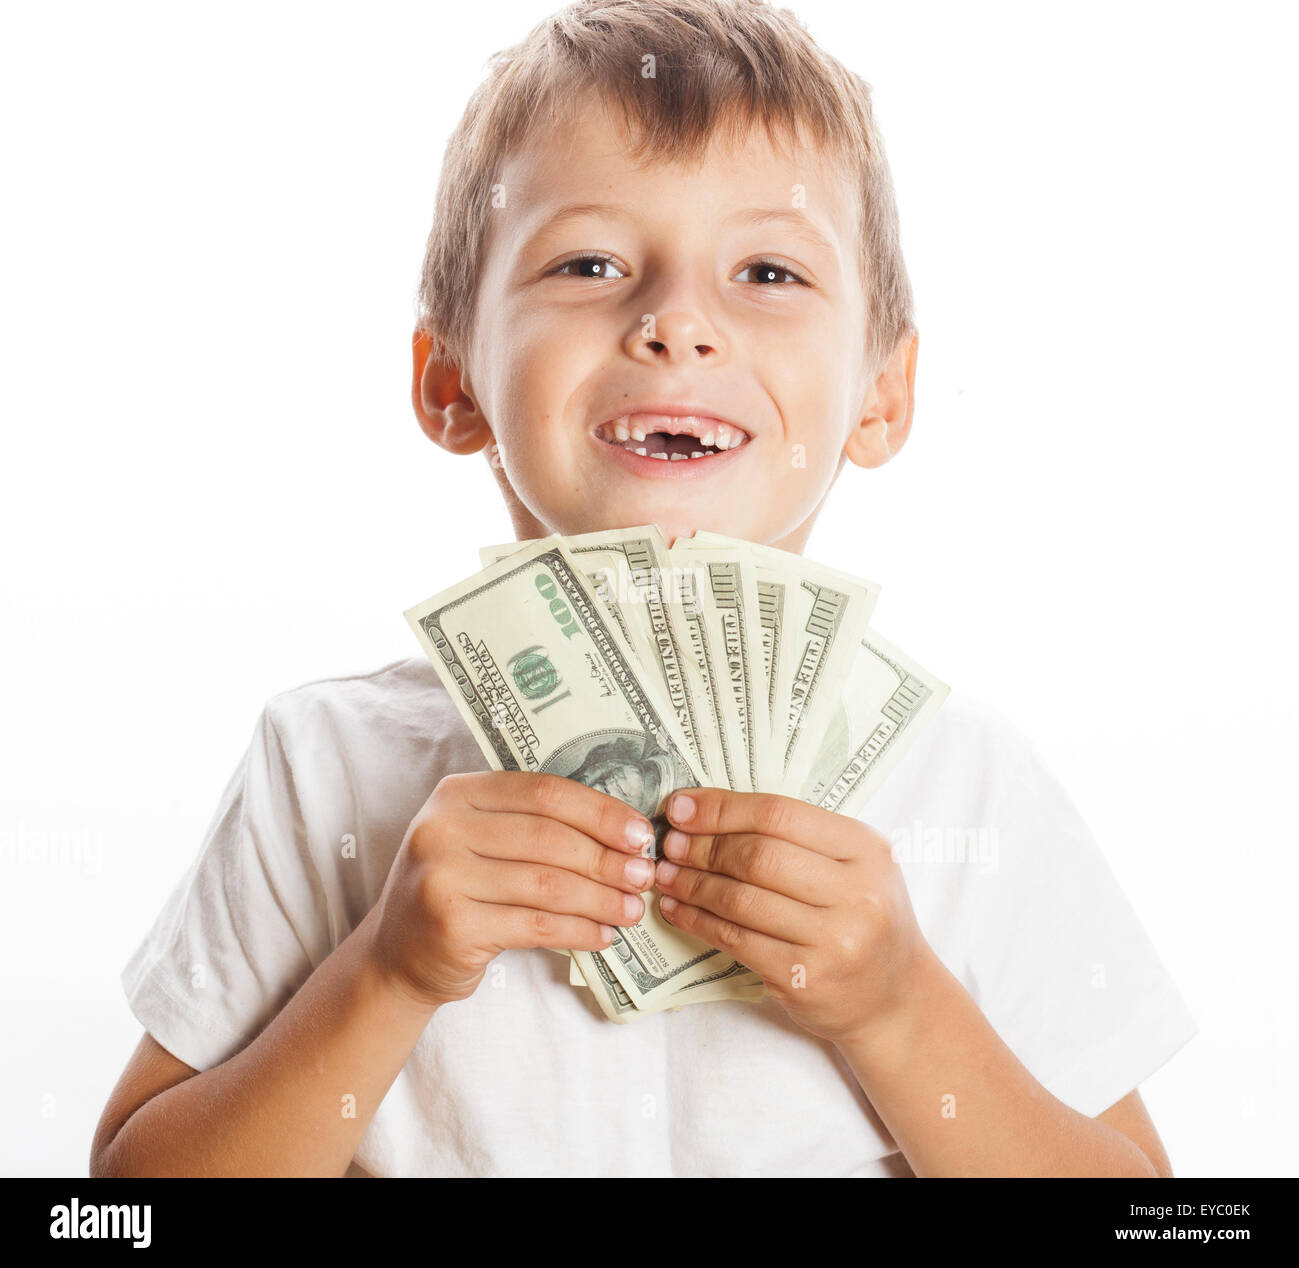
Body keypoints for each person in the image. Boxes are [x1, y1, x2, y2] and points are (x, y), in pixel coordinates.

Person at [91, 0, 1196, 1177]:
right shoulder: (323, 771)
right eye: (590, 264)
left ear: (881, 394)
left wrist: (899, 1009)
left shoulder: (968, 787)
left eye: (767, 271)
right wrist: (387, 971)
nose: (674, 321)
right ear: (449, 378)